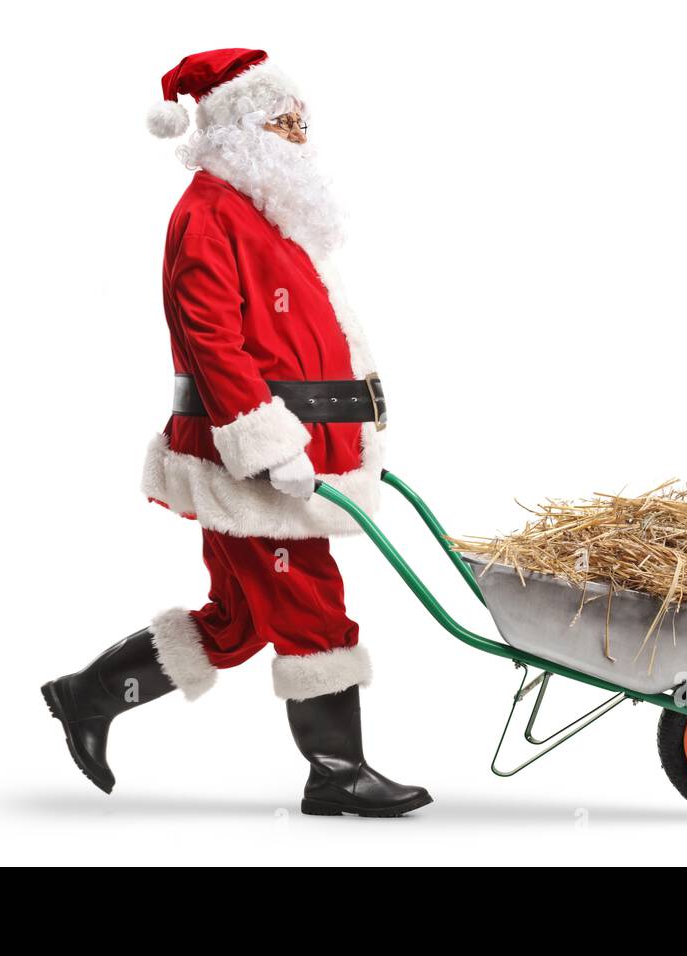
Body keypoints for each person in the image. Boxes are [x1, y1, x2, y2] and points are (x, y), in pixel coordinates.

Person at [41, 48, 431, 818]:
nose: (298, 135)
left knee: (241, 618)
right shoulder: (209, 214)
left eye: (300, 121)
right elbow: (213, 339)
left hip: (287, 456)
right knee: (310, 602)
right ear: (235, 130)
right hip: (249, 460)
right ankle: (336, 773)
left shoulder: (268, 214)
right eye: (280, 121)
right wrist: (269, 443)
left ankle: (88, 696)